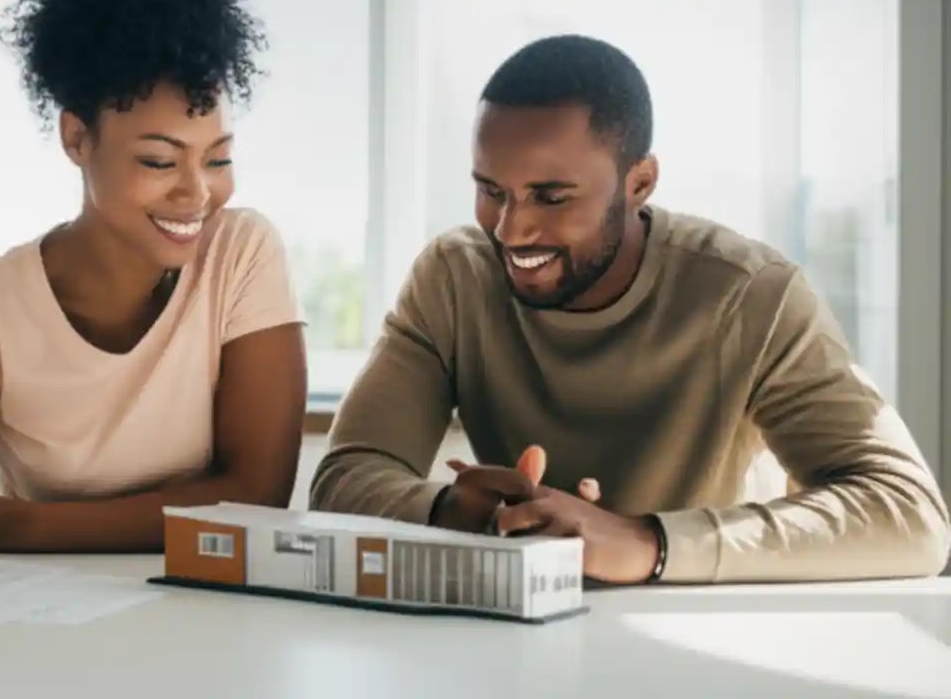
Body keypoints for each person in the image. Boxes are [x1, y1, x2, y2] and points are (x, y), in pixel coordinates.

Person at [311, 34, 950, 584]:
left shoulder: (751, 294)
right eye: (490, 191)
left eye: (550, 196)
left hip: (711, 632)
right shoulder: (453, 278)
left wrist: (645, 543)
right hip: (520, 633)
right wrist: (452, 508)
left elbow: (912, 516)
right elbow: (344, 479)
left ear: (639, 182)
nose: (509, 229)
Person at [0, 0, 307, 577]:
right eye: (159, 161)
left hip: (210, 616)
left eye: (217, 158)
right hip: (46, 625)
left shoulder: (241, 254)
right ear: (77, 138)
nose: (197, 192)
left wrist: (12, 523)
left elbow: (255, 496)